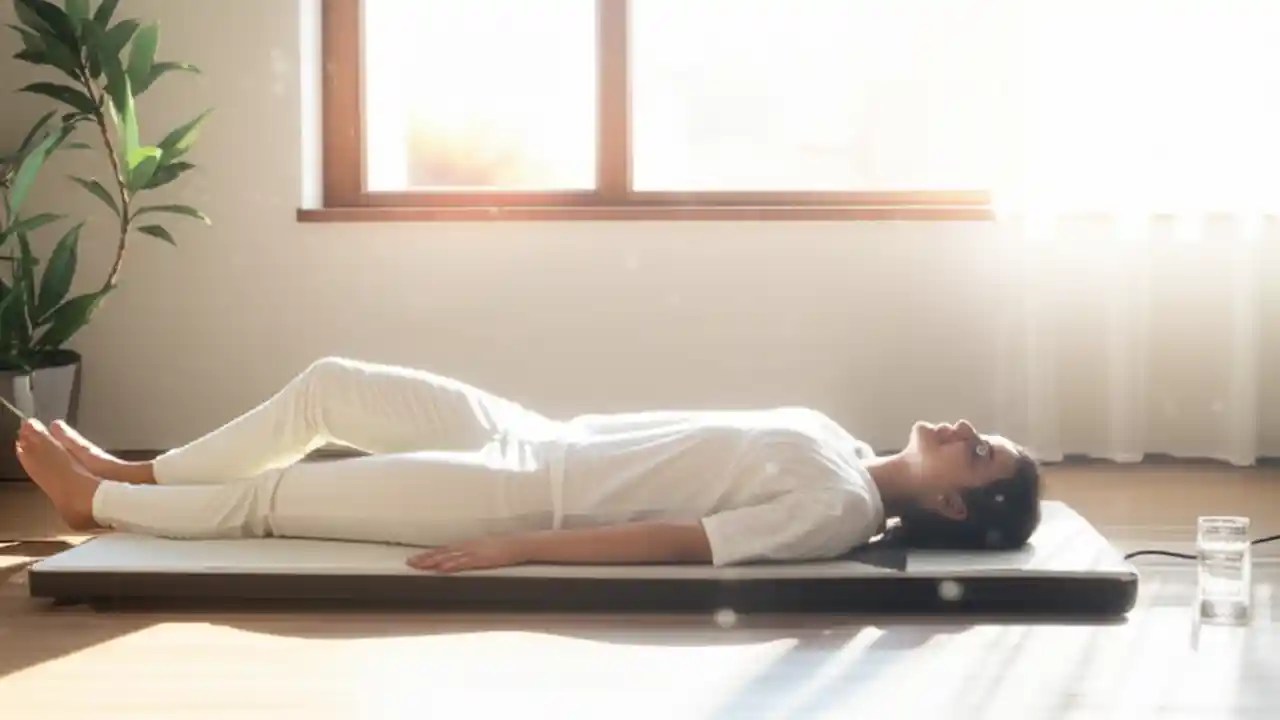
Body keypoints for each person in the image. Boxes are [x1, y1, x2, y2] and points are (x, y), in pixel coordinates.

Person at [16, 356, 1041, 573]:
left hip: (522, 491)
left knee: (283, 500)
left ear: (954, 502)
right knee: (328, 384)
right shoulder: (826, 428)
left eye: (978, 450)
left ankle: (100, 506)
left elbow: (680, 543)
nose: (962, 425)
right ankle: (143, 476)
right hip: (528, 431)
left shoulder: (834, 509)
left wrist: (515, 548)